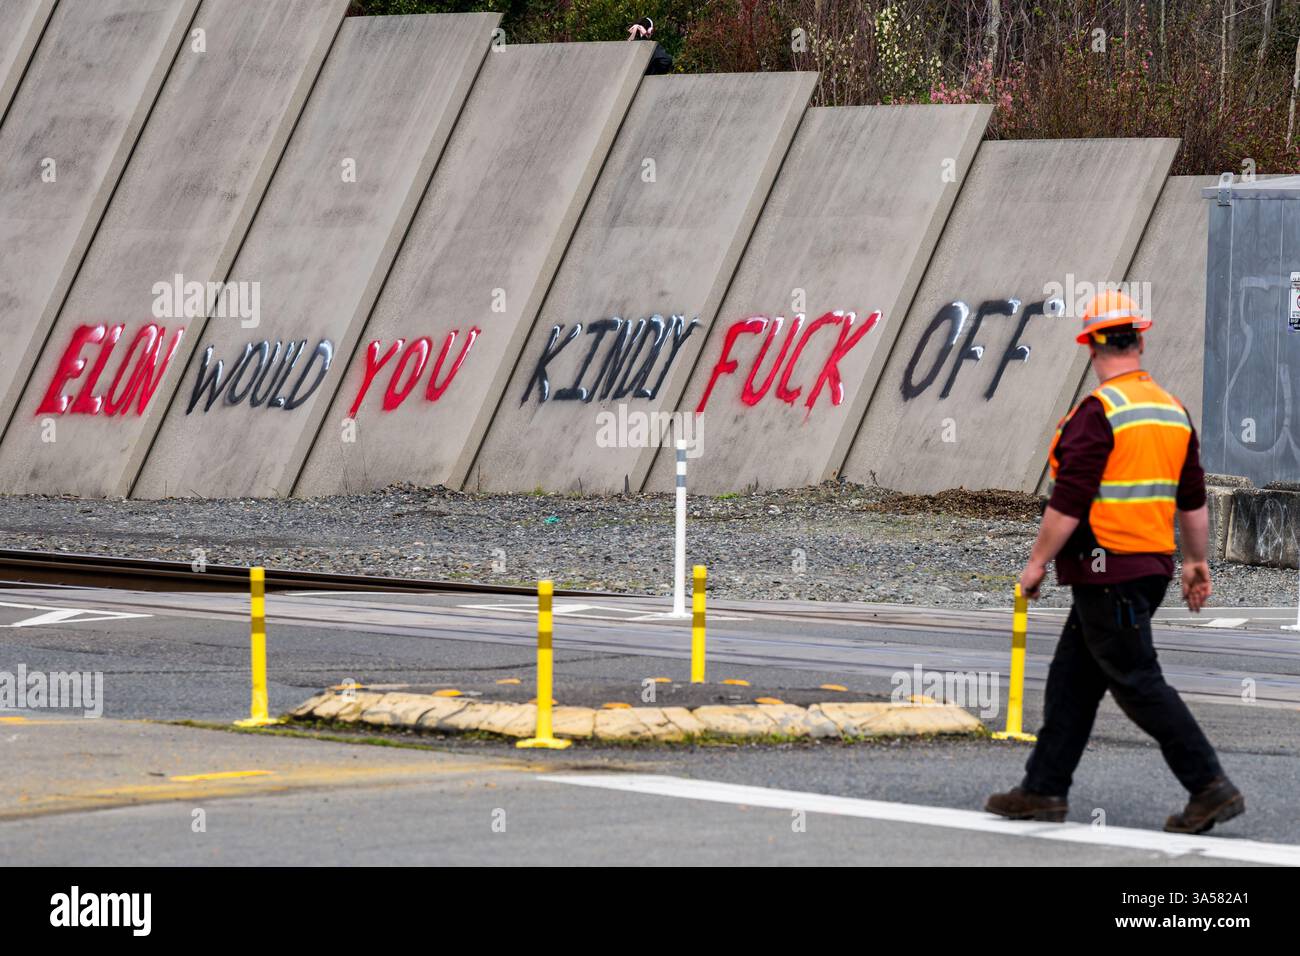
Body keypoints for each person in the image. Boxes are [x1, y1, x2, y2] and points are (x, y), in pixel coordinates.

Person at [985, 289, 1244, 834]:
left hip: (1111, 575)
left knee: (1137, 682)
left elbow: (1069, 502)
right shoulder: (1173, 413)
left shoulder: (1099, 413)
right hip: (1146, 571)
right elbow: (1192, 501)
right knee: (1072, 682)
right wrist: (1198, 564)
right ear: (1141, 341)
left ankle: (1209, 786)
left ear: (1090, 347)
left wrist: (1035, 564)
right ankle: (1043, 789)